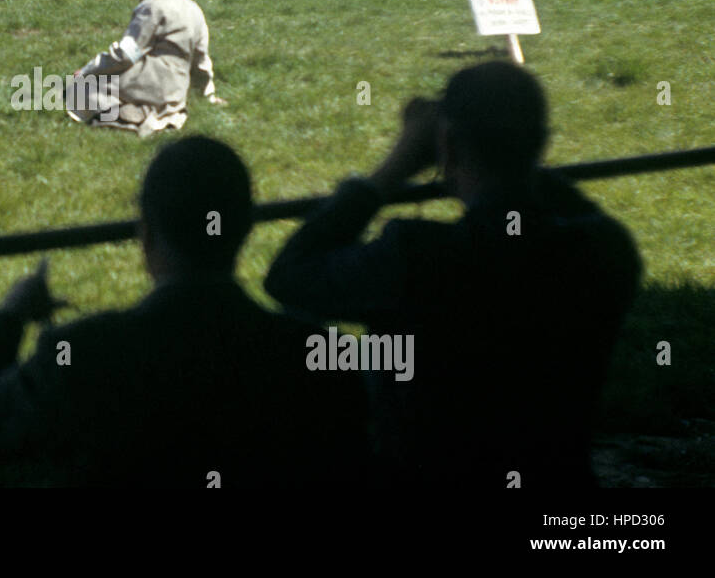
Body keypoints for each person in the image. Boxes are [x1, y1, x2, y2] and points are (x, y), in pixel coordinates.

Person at [264, 62, 641, 489]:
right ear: (541, 144)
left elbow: (289, 275)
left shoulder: (418, 257)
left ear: (449, 144)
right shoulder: (605, 250)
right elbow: (547, 202)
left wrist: (393, 168)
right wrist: (511, 154)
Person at [0, 137, 371, 487]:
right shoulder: (318, 360)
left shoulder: (80, 357)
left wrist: (9, 315)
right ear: (244, 229)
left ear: (145, 233)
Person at [67, 0, 224, 137]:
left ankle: (125, 114)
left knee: (77, 88)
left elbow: (125, 55)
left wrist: (86, 71)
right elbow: (201, 60)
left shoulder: (152, 6)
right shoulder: (194, 9)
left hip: (150, 85)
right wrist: (207, 95)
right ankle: (144, 112)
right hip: (175, 94)